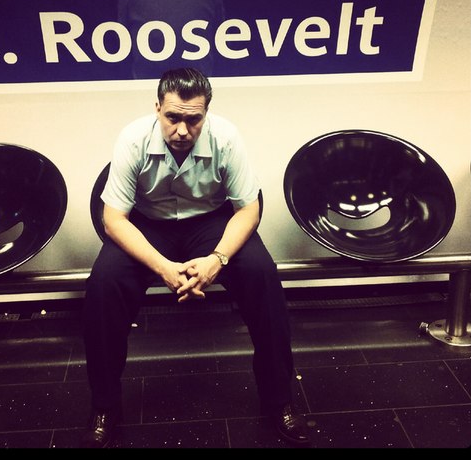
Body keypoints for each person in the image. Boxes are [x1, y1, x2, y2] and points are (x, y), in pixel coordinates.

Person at [81, 67, 310, 448]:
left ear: (206, 113)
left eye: (194, 119)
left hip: (211, 222)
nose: (183, 130)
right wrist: (164, 268)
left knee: (262, 275)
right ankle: (104, 406)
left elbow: (249, 209)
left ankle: (279, 400)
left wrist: (217, 259)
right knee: (103, 285)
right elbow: (114, 220)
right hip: (149, 223)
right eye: (173, 117)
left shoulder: (226, 137)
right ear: (157, 108)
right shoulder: (133, 139)